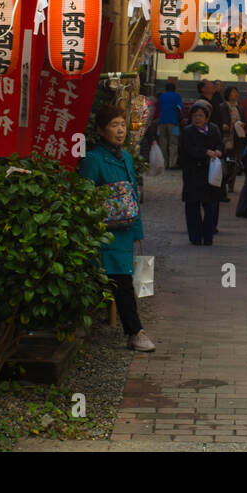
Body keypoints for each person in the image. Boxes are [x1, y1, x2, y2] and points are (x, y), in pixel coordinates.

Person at [78, 106, 155, 352]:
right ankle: (134, 331)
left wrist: (138, 233)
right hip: (103, 233)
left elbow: (132, 196)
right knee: (115, 281)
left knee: (123, 281)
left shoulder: (127, 157)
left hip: (125, 232)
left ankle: (134, 330)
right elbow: (85, 195)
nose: (120, 129)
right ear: (101, 130)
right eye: (114, 124)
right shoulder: (93, 159)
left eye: (122, 123)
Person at [178, 99, 224, 246]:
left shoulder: (214, 129)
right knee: (192, 206)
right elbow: (188, 150)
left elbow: (220, 143)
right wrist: (205, 152)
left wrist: (218, 151)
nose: (197, 119)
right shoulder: (187, 131)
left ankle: (208, 235)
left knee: (210, 206)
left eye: (200, 116)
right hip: (193, 173)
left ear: (207, 117)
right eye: (195, 116)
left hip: (210, 172)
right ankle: (195, 237)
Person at [222, 85, 245, 196]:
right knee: (226, 161)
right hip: (226, 137)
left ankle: (231, 184)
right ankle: (224, 181)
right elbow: (219, 120)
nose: (235, 94)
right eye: (233, 92)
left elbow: (244, 120)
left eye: (236, 92)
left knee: (235, 161)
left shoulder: (239, 107)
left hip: (237, 137)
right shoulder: (223, 106)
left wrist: (242, 125)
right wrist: (224, 125)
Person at [156, 79, 183, 170]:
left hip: (162, 122)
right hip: (173, 122)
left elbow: (159, 108)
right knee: (173, 143)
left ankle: (164, 163)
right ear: (175, 89)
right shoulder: (177, 96)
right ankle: (172, 163)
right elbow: (179, 108)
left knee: (163, 143)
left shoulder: (162, 96)